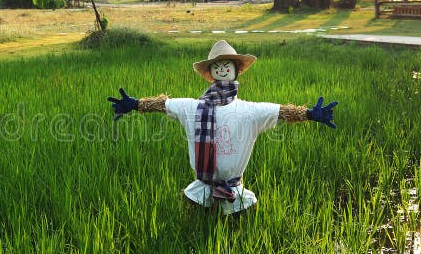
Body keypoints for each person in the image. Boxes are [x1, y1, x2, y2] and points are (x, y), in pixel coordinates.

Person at [108, 40, 338, 216]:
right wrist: (135, 104)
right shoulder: (193, 108)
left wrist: (310, 114)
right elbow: (164, 105)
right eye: (217, 66)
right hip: (200, 191)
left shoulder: (250, 111)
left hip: (234, 194)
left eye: (227, 66)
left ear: (237, 70)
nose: (222, 70)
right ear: (211, 73)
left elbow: (281, 112)